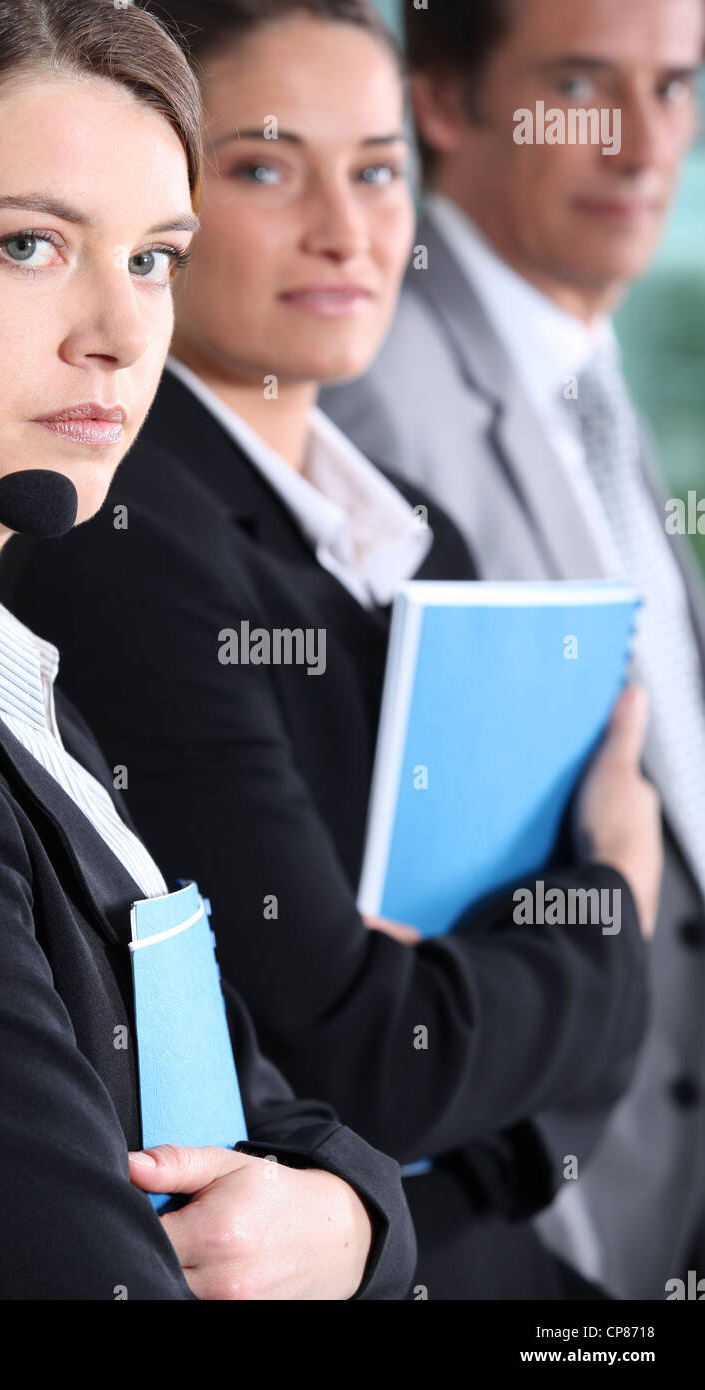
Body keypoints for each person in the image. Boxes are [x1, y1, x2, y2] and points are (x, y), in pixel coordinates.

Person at [0, 0, 661, 1299]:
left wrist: (446, 1148)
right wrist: (613, 911)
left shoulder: (419, 533)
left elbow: (514, 1076)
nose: (344, 230)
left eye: (373, 170)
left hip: (450, 1248)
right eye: (261, 167)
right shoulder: (120, 541)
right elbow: (371, 1061)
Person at [0, 0, 421, 1301]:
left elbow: (274, 1111)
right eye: (29, 244)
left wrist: (351, 1219)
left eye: (154, 256)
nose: (117, 327)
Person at [320, 0, 705, 1300]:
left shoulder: (579, 361)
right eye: (583, 87)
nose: (644, 143)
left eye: (674, 85)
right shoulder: (368, 377)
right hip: (518, 1192)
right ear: (440, 99)